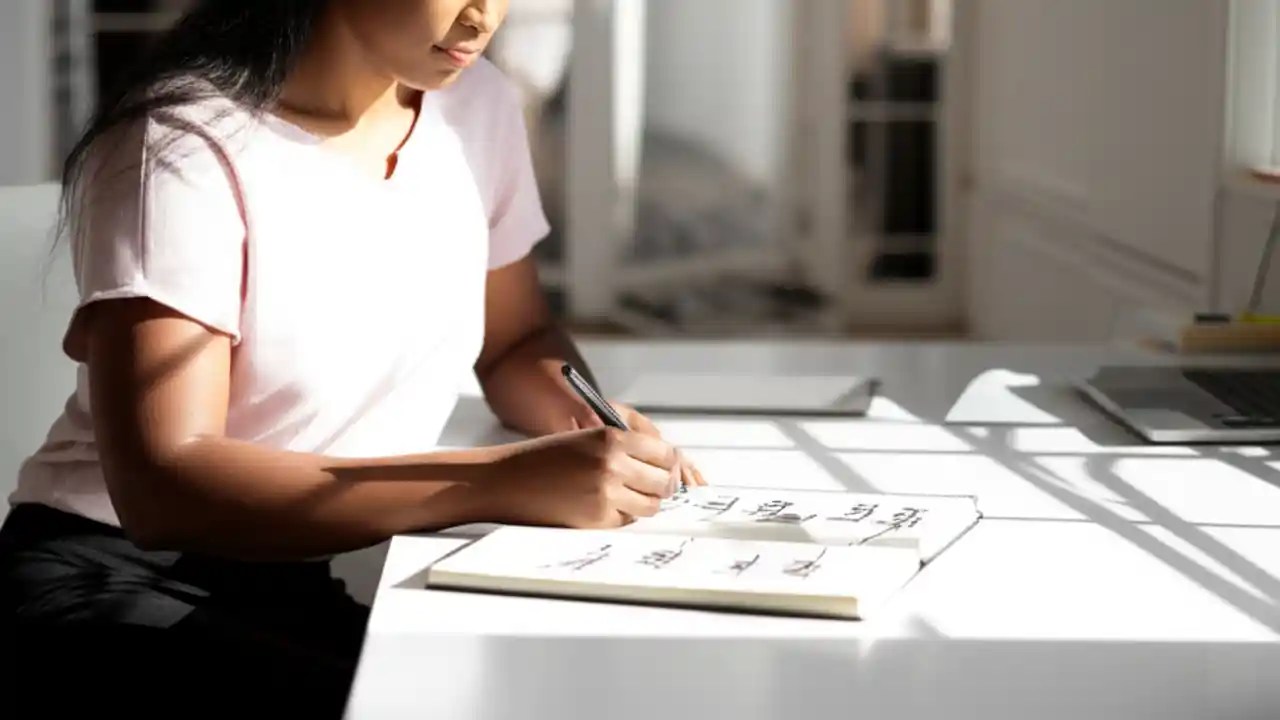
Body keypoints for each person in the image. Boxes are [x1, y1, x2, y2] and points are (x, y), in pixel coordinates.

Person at [0, 0, 704, 716]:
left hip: (290, 583)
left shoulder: (476, 106)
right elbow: (163, 488)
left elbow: (516, 341)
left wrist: (588, 425)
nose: (483, 17)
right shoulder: (182, 144)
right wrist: (502, 481)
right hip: (111, 586)